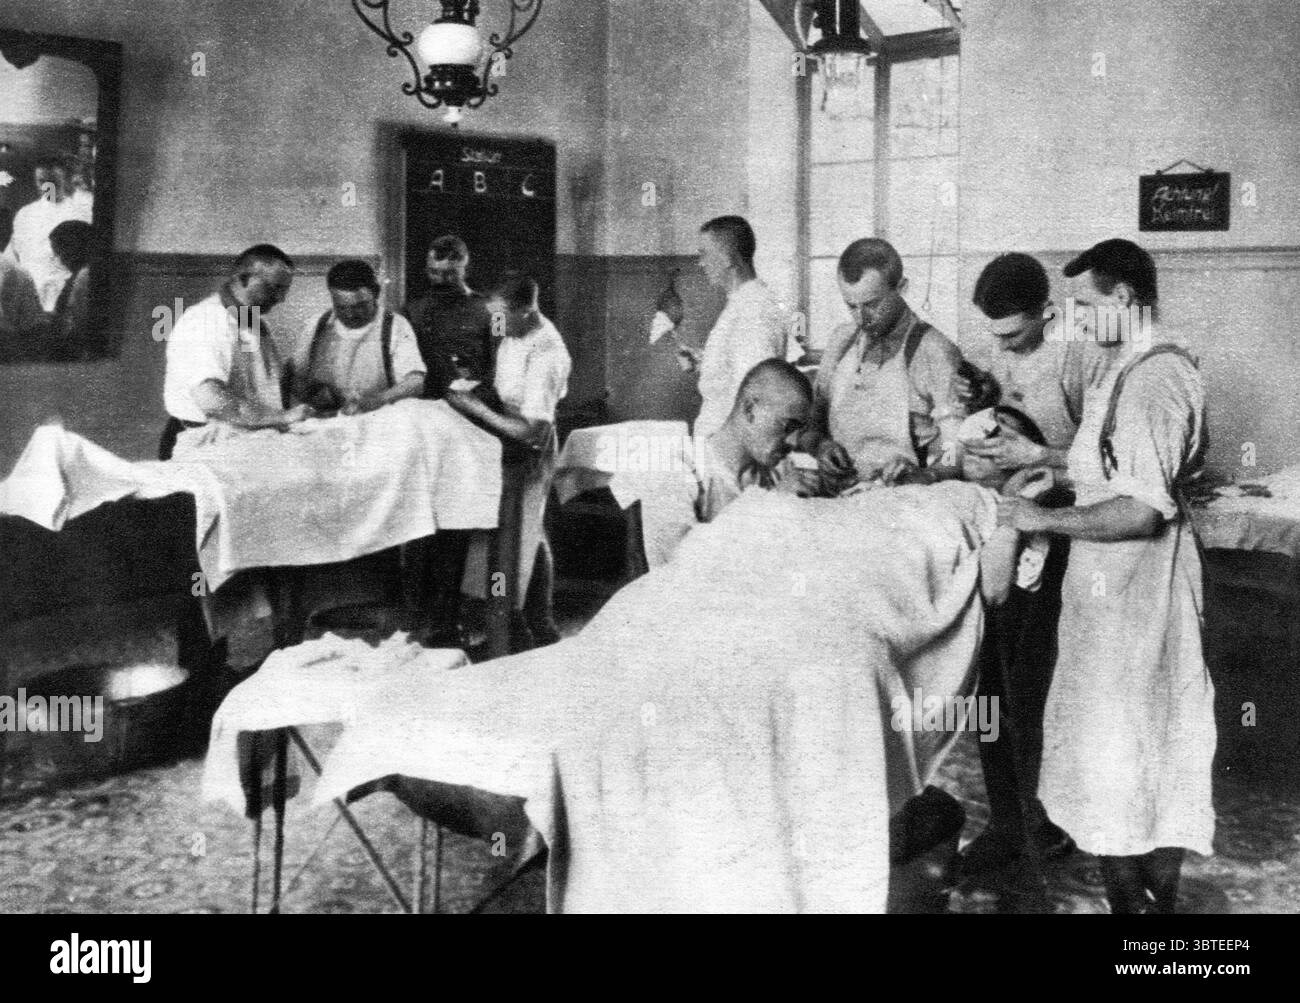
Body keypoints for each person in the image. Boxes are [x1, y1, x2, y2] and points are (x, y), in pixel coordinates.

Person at [996, 239, 1215, 914]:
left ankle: (1146, 915)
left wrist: (1040, 517)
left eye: (1087, 306)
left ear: (1123, 299)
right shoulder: (1125, 367)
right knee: (1114, 750)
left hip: (1140, 595)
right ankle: (1142, 906)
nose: (1079, 321)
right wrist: (1046, 459)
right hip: (1108, 595)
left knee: (1132, 749)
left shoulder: (1154, 378)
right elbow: (1109, 467)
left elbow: (1141, 510)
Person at [950, 253, 1119, 882]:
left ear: (1048, 312)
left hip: (1065, 530)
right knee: (991, 682)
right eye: (993, 334)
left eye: (1014, 334)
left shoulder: (1084, 355)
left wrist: (1039, 452)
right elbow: (1003, 400)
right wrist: (980, 392)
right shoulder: (1002, 345)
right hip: (1008, 519)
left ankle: (1043, 822)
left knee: (1035, 687)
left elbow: (1113, 460)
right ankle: (1007, 822)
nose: (1003, 344)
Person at [447, 272, 572, 650]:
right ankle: (517, 620)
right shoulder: (506, 323)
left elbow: (532, 431)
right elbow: (497, 358)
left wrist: (473, 408)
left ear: (527, 310)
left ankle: (527, 623)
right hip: (500, 436)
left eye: (501, 316)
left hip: (527, 445)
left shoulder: (548, 353)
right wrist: (475, 378)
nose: (495, 323)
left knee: (522, 535)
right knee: (508, 536)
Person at [797, 237, 966, 492]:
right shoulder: (841, 341)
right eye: (851, 305)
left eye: (873, 304)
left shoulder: (934, 350)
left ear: (901, 288)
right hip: (840, 494)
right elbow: (811, 427)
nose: (862, 318)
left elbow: (957, 448)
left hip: (902, 499)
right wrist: (821, 446)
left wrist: (926, 475)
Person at [632, 358, 816, 567]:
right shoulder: (678, 467)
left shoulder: (779, 469)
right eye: (787, 426)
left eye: (799, 431)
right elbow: (684, 563)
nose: (792, 442)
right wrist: (773, 507)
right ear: (749, 409)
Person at [160, 243, 310, 460]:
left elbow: (263, 386)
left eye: (284, 290)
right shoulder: (205, 321)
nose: (281, 299)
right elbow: (212, 400)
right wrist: (282, 417)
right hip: (201, 443)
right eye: (273, 288)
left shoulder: (255, 322)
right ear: (244, 278)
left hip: (239, 440)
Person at [678, 215, 793, 442]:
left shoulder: (755, 309)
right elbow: (739, 370)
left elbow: (755, 392)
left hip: (729, 446)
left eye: (704, 254)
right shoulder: (742, 303)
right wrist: (703, 362)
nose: (701, 263)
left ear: (728, 258)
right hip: (717, 441)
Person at [292, 259, 425, 414]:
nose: (350, 314)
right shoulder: (317, 325)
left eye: (359, 306)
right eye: (341, 307)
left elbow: (416, 381)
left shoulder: (395, 325)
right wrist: (312, 395)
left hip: (378, 416)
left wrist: (379, 400)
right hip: (328, 417)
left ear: (376, 294)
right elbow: (296, 376)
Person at [404, 235, 495, 395]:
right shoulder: (411, 312)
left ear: (465, 269)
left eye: (450, 273)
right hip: (429, 403)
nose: (440, 279)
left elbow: (503, 357)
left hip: (477, 400)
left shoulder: (495, 310)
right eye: (434, 272)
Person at [2, 155, 93, 312]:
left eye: (53, 181)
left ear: (65, 179)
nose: (48, 187)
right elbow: (13, 256)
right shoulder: (25, 214)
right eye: (42, 181)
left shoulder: (83, 213)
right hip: (31, 298)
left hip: (64, 297)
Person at [47, 219, 96, 358]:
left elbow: (76, 325)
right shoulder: (80, 276)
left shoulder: (85, 276)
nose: (60, 260)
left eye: (61, 252)